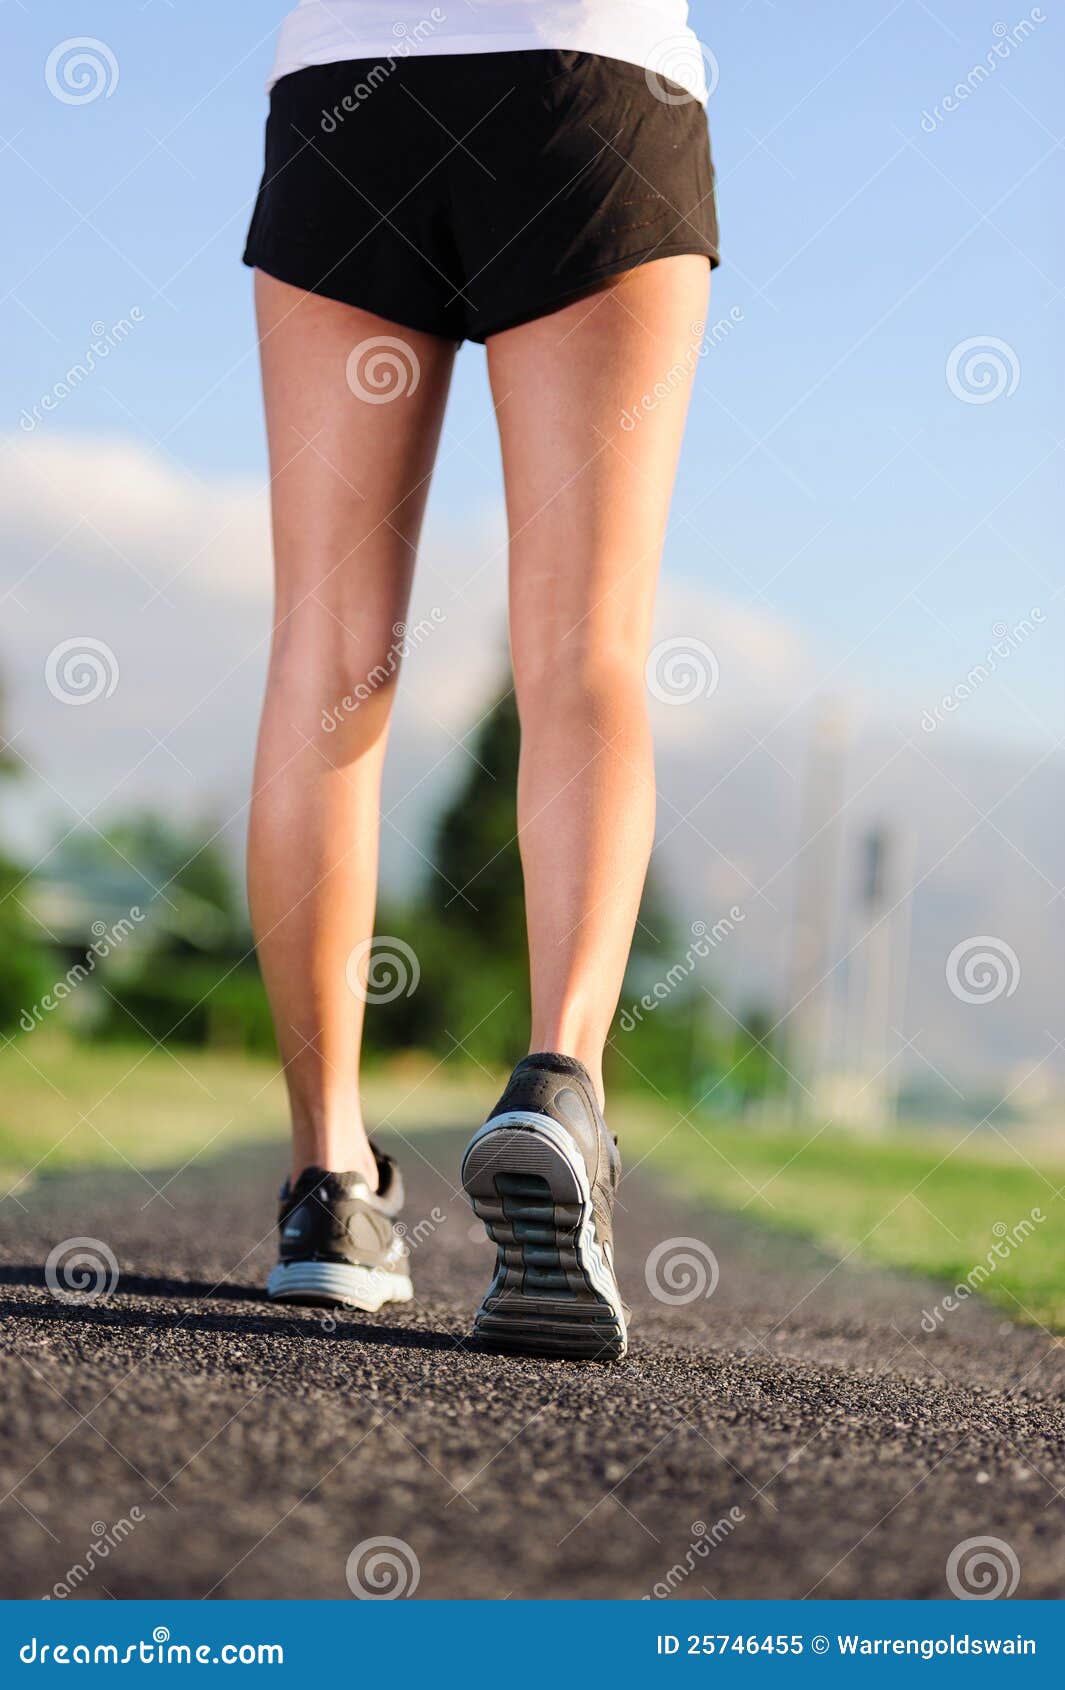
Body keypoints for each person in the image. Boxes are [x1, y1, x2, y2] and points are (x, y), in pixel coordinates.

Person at [243, 0, 719, 1361]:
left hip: (349, 88)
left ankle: (329, 1185)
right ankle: (558, 1080)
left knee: (327, 657)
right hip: (589, 77)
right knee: (582, 648)